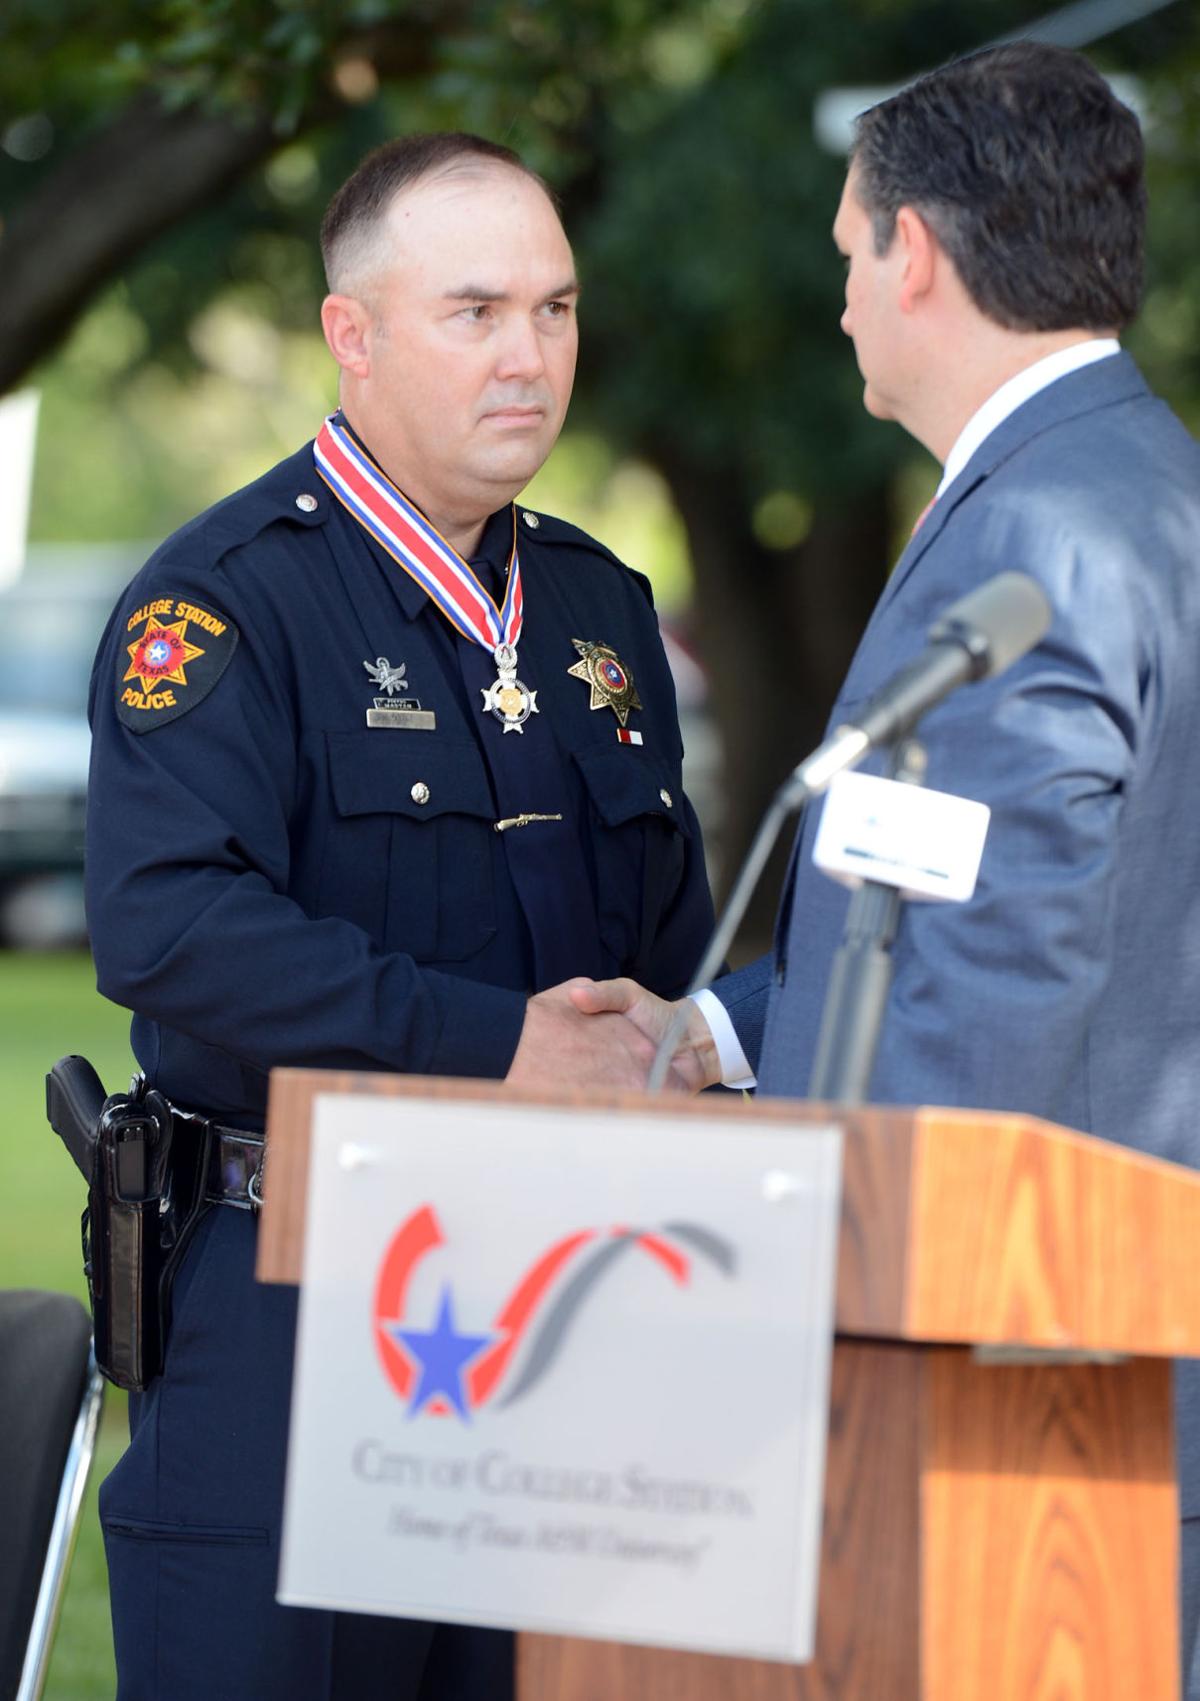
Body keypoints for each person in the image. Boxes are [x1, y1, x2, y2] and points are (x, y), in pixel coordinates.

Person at [572, 43, 1200, 1693]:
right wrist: (718, 1032)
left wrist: (827, 1340)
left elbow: (995, 1002)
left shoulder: (1034, 538)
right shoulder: (1142, 489)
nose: (844, 301)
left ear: (914, 248)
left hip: (1008, 1408)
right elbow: (993, 909)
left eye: (851, 252)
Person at [85, 132, 714, 1700]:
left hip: (574, 1294)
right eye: (477, 311)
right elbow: (167, 929)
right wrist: (500, 1043)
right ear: (351, 335)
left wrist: (689, 1036)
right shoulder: (225, 598)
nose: (531, 356)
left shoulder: (597, 606)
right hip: (298, 1295)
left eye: (557, 312)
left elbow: (672, 934)